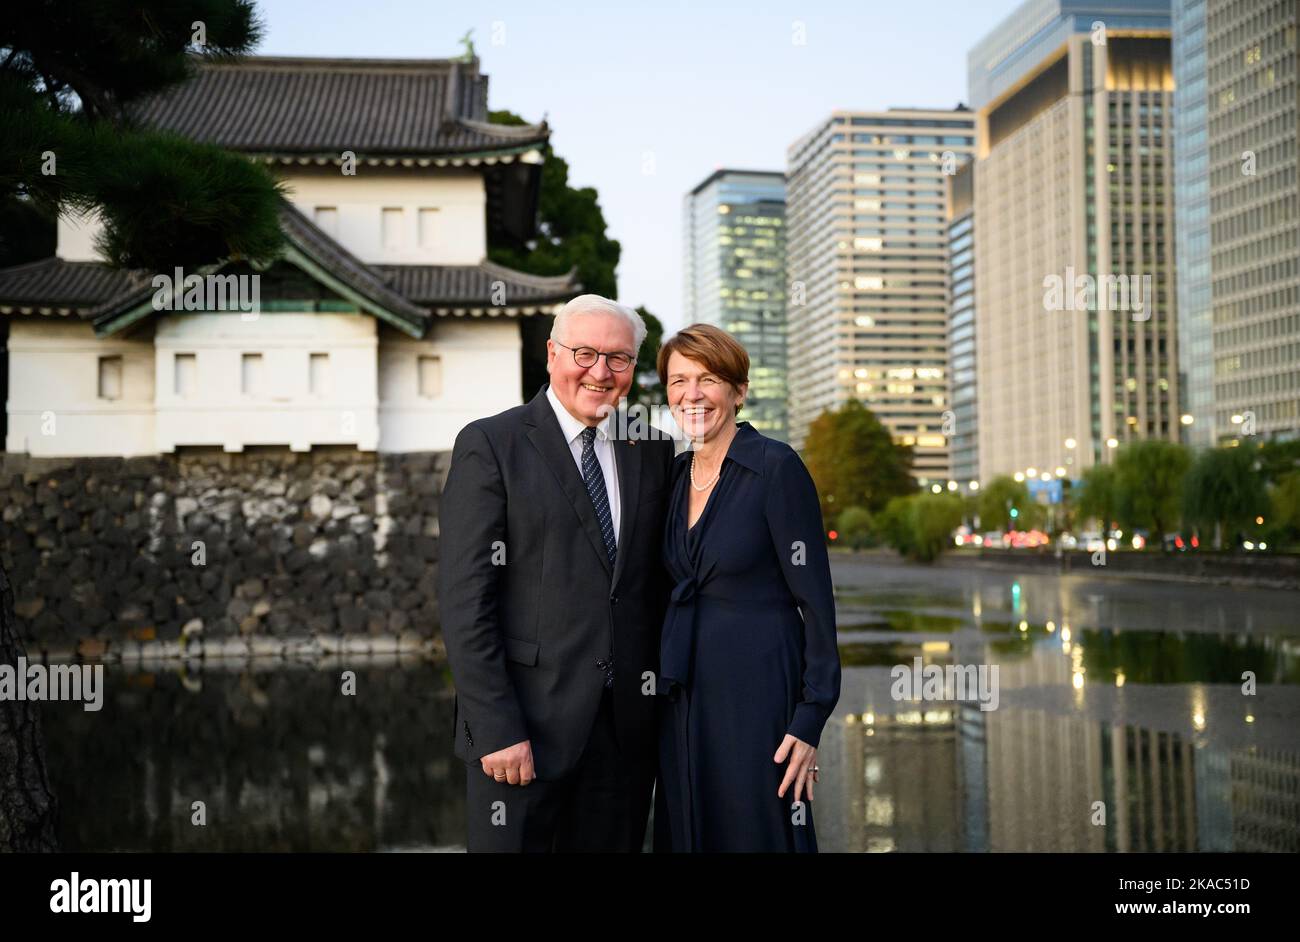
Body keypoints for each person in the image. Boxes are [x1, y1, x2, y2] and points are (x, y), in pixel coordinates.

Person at [439, 294, 674, 852]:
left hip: (624, 742)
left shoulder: (653, 450)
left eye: (618, 358)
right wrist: (496, 727)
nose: (600, 372)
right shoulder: (491, 444)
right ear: (551, 353)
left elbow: (655, 588)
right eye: (584, 353)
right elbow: (465, 600)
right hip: (521, 736)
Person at [653, 324, 841, 852]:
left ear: (738, 391)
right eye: (678, 381)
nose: (692, 394)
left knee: (757, 828)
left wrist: (810, 718)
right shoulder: (672, 477)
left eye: (708, 379)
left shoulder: (776, 467)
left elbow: (816, 603)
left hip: (759, 694)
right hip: (683, 693)